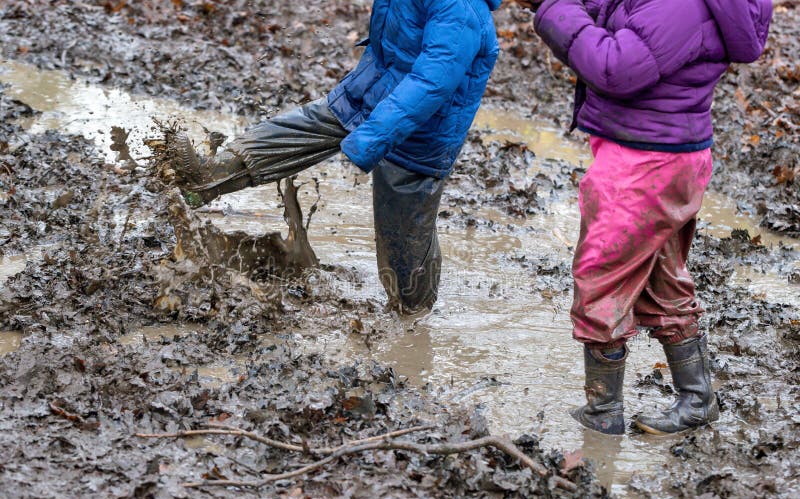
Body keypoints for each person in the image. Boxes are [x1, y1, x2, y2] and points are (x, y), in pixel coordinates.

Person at [168, 0, 501, 313]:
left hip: (420, 135)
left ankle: (412, 319)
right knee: (295, 130)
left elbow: (431, 83)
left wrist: (372, 138)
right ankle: (208, 177)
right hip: (366, 93)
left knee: (404, 243)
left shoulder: (462, 9)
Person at [533, 0, 772, 434]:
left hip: (646, 162)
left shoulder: (681, 6)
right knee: (662, 277)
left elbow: (614, 68)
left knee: (600, 275)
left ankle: (603, 414)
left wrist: (554, 10)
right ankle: (697, 399)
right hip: (662, 154)